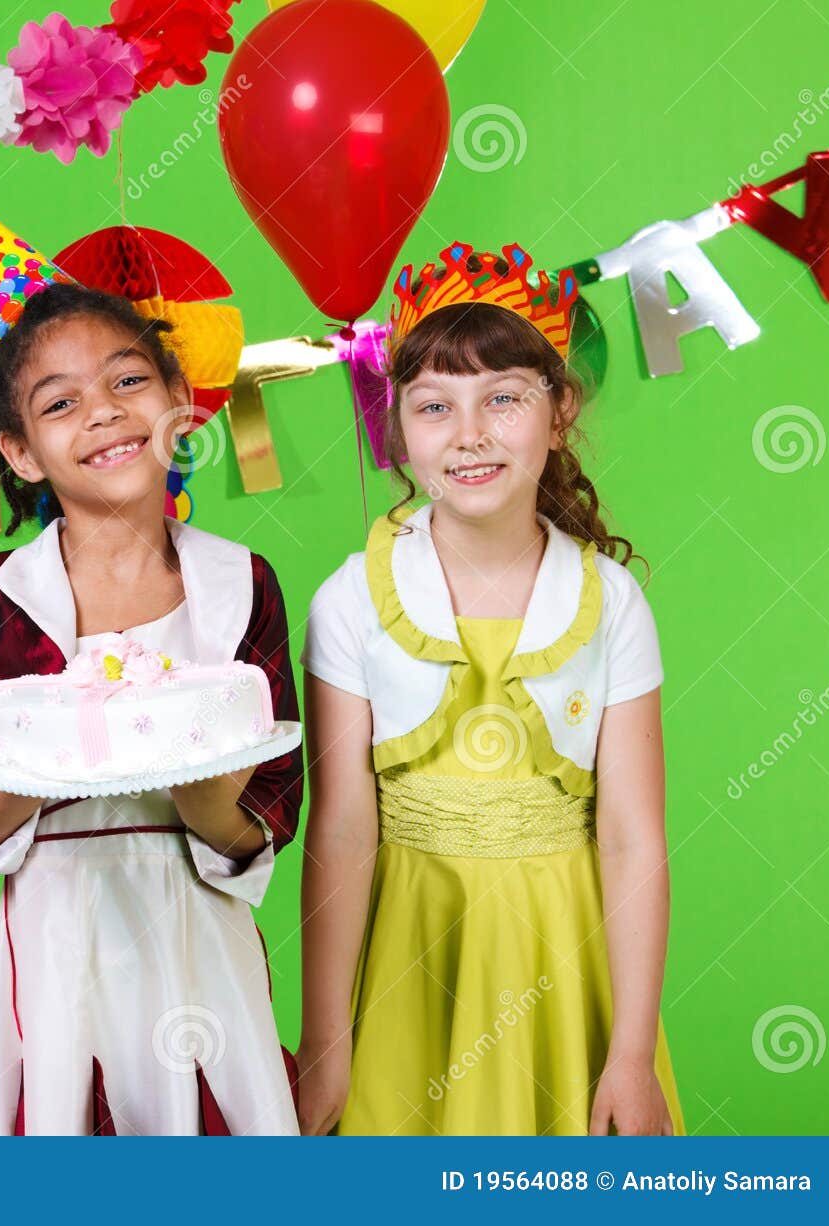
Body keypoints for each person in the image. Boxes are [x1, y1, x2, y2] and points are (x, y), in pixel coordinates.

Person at [0, 201, 303, 1135]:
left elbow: (270, 805)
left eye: (129, 380)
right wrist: (37, 768)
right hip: (56, 935)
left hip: (197, 928)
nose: (104, 413)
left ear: (178, 399)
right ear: (19, 452)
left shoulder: (240, 583)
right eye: (60, 404)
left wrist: (202, 794)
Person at [296, 242, 685, 1135]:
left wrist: (628, 1051)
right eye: (435, 407)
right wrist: (325, 1043)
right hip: (412, 960)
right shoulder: (351, 599)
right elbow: (345, 831)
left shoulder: (610, 602)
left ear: (560, 414)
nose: (469, 434)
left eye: (504, 398)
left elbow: (630, 838)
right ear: (398, 431)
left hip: (568, 963)